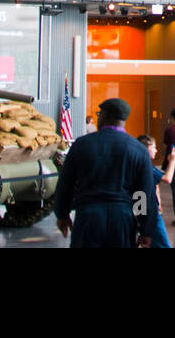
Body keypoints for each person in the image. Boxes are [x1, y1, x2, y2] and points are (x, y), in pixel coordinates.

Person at [54, 98, 157, 248]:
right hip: (122, 219)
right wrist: (145, 228)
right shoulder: (139, 150)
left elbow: (66, 184)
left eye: (99, 114)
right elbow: (143, 193)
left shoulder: (81, 145)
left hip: (88, 216)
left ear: (105, 116)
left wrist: (62, 214)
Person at [137, 134, 175, 248]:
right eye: (153, 147)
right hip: (151, 213)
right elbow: (167, 178)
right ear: (146, 148)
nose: (156, 150)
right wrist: (173, 161)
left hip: (141, 211)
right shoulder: (147, 168)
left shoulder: (139, 166)